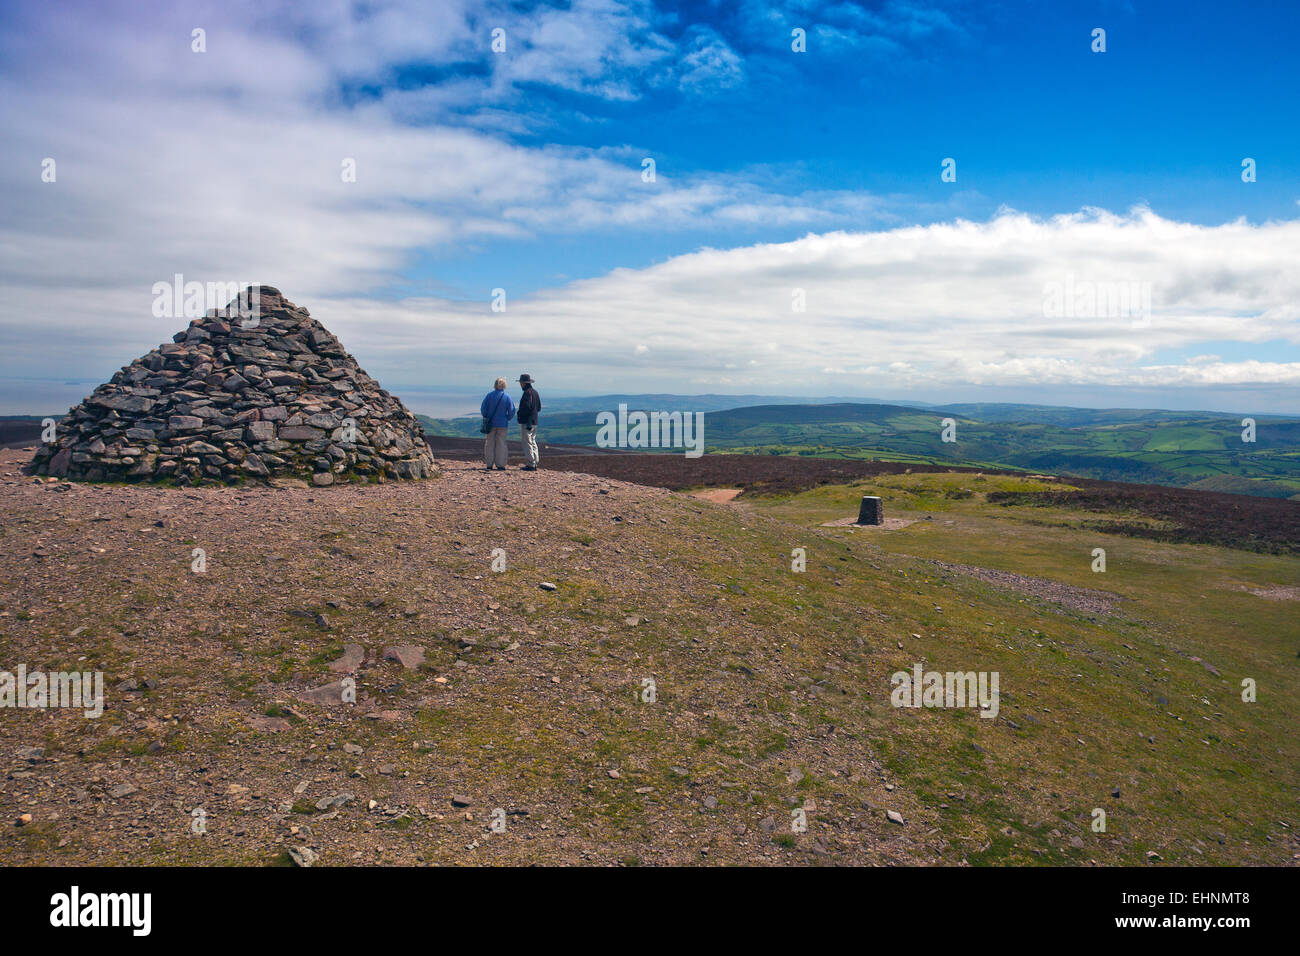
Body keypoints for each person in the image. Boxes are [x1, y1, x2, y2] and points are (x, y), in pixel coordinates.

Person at [480, 377, 514, 470]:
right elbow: (511, 411)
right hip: (503, 424)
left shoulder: (489, 396)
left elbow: (483, 409)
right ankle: (500, 465)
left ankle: (489, 464)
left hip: (490, 424)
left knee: (489, 443)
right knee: (501, 444)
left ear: (495, 385)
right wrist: (507, 418)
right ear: (504, 385)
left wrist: (487, 417)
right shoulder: (507, 397)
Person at [516, 373, 542, 471]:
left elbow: (526, 407)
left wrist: (520, 414)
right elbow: (538, 407)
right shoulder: (535, 392)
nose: (520, 384)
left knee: (527, 442)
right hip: (534, 421)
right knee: (533, 441)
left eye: (521, 382)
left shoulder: (527, 393)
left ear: (523, 383)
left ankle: (531, 464)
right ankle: (535, 461)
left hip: (527, 422)